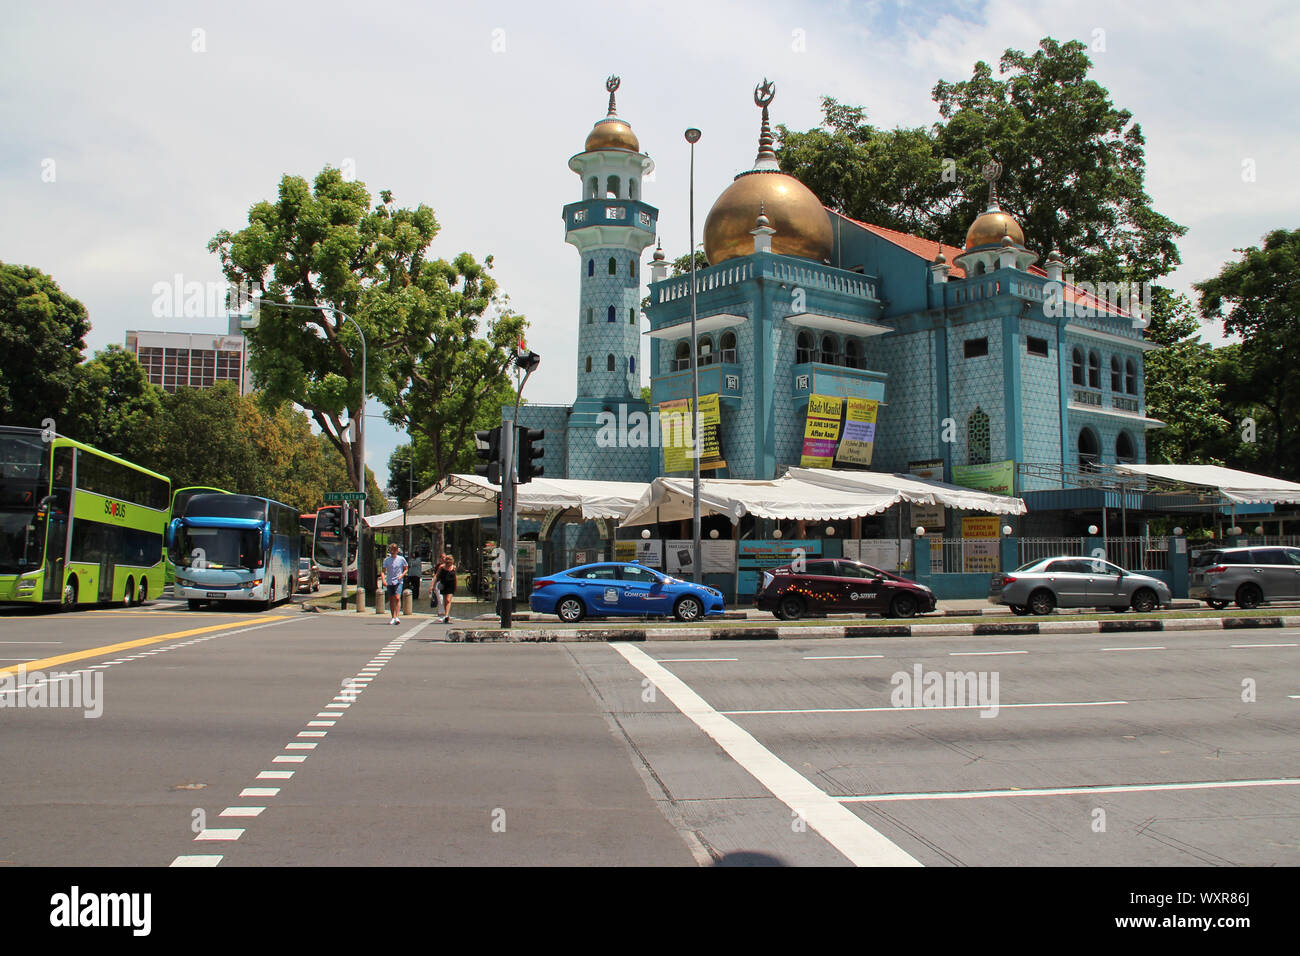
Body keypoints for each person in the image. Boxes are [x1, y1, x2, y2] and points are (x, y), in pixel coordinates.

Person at [381, 542, 407, 626]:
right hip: (389, 581)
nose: (393, 551)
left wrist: (401, 575)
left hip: (398, 581)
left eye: (394, 550)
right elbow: (383, 571)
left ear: (397, 551)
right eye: (391, 550)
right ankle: (393, 616)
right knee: (391, 599)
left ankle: (397, 616)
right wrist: (383, 580)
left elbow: (406, 569)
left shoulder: (401, 559)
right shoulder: (387, 560)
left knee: (397, 597)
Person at [434, 554, 457, 624]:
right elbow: (436, 576)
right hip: (444, 585)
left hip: (451, 585)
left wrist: (456, 586)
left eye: (450, 561)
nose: (448, 562)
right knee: (444, 600)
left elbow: (455, 577)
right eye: (447, 560)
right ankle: (446, 615)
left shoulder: (454, 567)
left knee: (448, 600)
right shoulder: (441, 567)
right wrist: (433, 585)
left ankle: (446, 615)